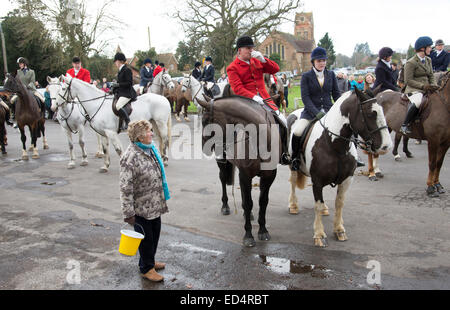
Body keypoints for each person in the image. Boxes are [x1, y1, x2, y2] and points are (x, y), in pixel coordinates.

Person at [226, 35, 290, 165]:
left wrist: (264, 59)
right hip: (245, 101)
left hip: (265, 100)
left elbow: (276, 69)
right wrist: (253, 97)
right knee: (232, 126)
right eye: (248, 48)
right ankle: (228, 151)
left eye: (252, 48)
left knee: (283, 121)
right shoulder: (232, 67)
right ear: (239, 50)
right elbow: (237, 88)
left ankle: (284, 152)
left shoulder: (257, 61)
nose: (251, 50)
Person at [120, 119, 170, 282]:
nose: (152, 133)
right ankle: (146, 269)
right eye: (149, 131)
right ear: (140, 137)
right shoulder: (130, 157)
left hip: (155, 204)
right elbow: (125, 188)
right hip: (141, 209)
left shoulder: (150, 149)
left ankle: (150, 261)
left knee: (154, 236)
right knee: (146, 240)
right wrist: (128, 213)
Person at [290, 47, 341, 171]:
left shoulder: (331, 74)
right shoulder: (306, 76)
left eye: (323, 60)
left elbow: (336, 94)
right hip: (310, 112)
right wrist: (316, 113)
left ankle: (353, 157)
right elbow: (305, 98)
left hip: (329, 111)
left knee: (346, 128)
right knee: (298, 132)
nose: (322, 63)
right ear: (313, 62)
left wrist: (339, 109)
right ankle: (295, 159)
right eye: (319, 61)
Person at [400, 36, 439, 135]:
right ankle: (405, 125)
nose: (431, 49)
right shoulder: (411, 62)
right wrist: (423, 86)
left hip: (427, 87)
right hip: (414, 89)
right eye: (429, 47)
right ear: (423, 48)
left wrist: (434, 85)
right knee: (418, 102)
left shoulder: (428, 60)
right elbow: (408, 80)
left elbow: (431, 75)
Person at [110, 52, 137, 131]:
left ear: (119, 61)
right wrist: (113, 88)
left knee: (118, 106)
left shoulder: (127, 69)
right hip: (122, 92)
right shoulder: (120, 70)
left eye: (116, 61)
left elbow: (129, 83)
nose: (115, 63)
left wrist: (117, 85)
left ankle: (127, 120)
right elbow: (119, 83)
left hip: (127, 93)